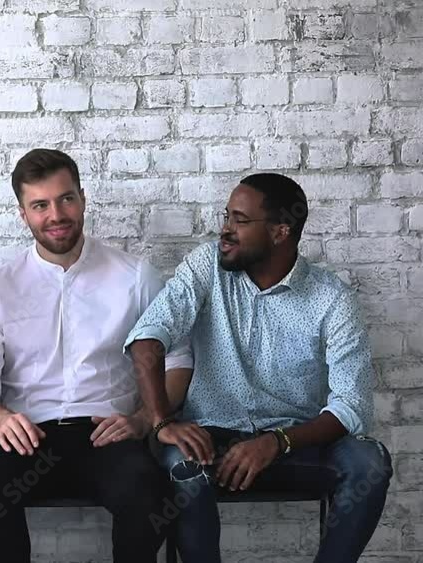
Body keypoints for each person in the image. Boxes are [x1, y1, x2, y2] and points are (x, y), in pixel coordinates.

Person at [126, 173, 392, 563]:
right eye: (226, 216)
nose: (225, 230)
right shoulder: (207, 266)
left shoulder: (331, 300)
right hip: (211, 442)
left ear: (281, 231)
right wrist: (162, 422)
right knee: (181, 464)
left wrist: (277, 442)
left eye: (239, 220)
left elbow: (351, 407)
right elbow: (148, 339)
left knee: (370, 462)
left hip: (296, 444)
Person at [0, 148, 193, 563]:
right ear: (22, 213)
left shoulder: (135, 277)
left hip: (105, 433)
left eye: (66, 199)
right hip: (27, 434)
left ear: (82, 198)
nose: (56, 214)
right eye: (40, 205)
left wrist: (141, 420)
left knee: (146, 490)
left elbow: (176, 363)